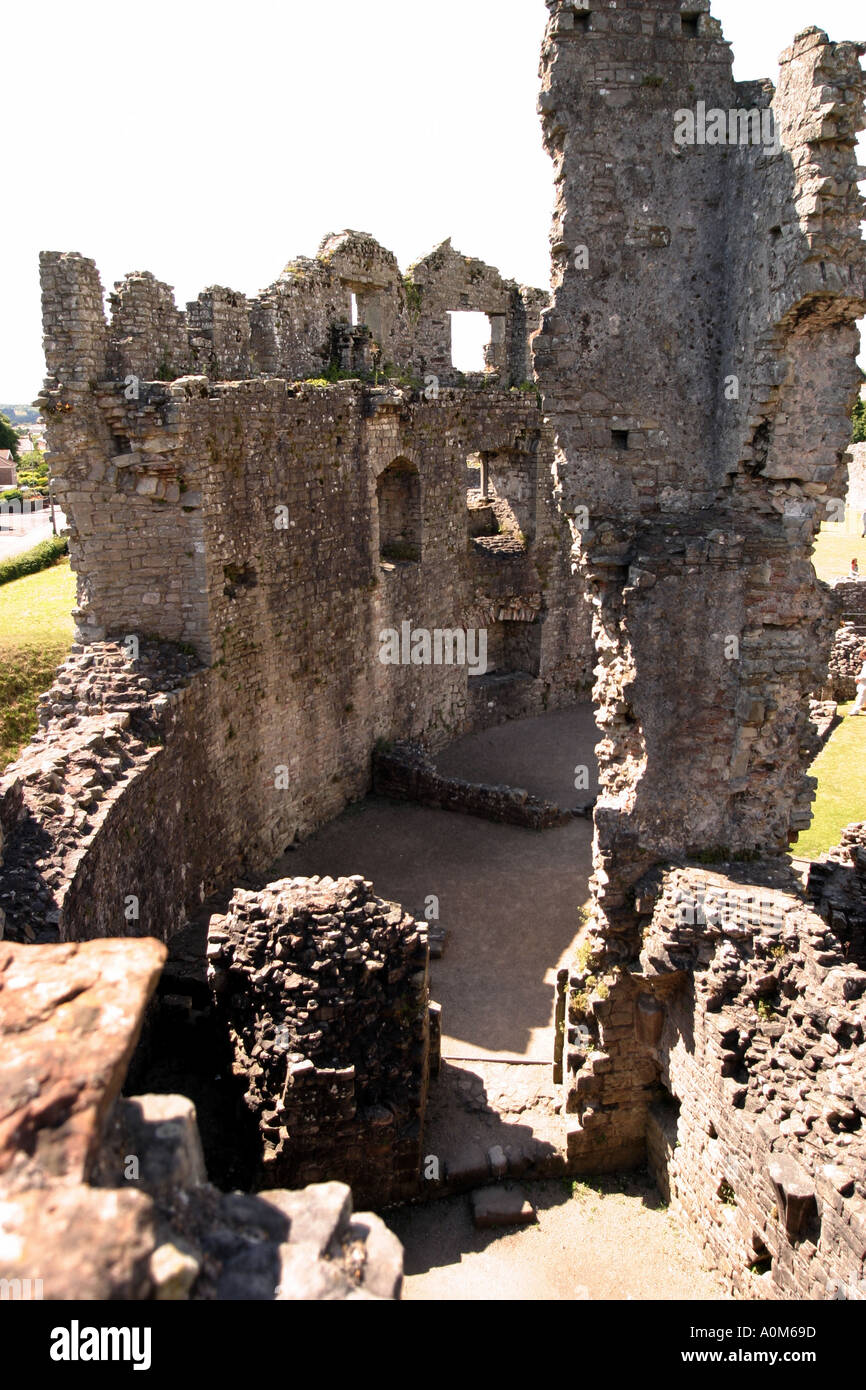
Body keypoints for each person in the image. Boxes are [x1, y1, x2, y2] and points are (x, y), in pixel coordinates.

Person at [851, 648, 866, 716]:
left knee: (861, 697)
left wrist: (858, 678)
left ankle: (855, 711)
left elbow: (865, 675)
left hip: (864, 683)